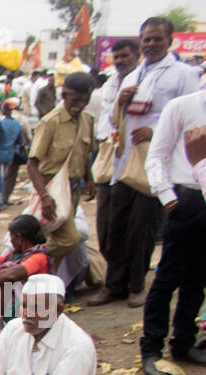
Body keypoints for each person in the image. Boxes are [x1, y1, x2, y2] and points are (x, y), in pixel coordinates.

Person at [90, 18, 200, 309]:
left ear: (169, 41)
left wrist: (157, 131)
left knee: (143, 227)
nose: (151, 44)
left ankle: (136, 285)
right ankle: (115, 285)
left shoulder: (182, 75)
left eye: (157, 39)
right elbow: (114, 122)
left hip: (157, 165)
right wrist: (121, 104)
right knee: (115, 227)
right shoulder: (131, 76)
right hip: (124, 162)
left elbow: (193, 120)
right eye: (146, 40)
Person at [139, 89, 206, 375]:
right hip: (185, 200)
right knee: (167, 277)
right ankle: (152, 349)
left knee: (198, 278)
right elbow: (157, 155)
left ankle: (183, 343)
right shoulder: (182, 106)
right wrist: (168, 197)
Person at [26, 72, 96, 293]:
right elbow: (32, 165)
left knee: (56, 239)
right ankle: (25, 266)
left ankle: (40, 279)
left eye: (85, 99)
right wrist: (45, 196)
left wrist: (90, 181)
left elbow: (84, 155)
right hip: (51, 190)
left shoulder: (87, 120)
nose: (81, 104)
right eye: (76, 99)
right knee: (69, 239)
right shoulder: (50, 122)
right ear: (64, 95)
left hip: (73, 191)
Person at [93, 39, 140, 276]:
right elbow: (105, 121)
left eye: (125, 56)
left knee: (131, 223)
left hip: (135, 157)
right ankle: (116, 271)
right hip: (107, 153)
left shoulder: (142, 80)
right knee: (105, 224)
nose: (120, 61)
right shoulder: (110, 83)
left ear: (136, 55)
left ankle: (127, 277)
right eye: (117, 57)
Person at [0, 214, 52, 321]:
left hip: (34, 304)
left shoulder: (39, 256)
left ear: (19, 238)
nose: (10, 240)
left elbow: (11, 275)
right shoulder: (15, 254)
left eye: (11, 237)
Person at [0, 100, 27, 208]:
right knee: (7, 177)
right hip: (10, 154)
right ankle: (4, 199)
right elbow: (21, 142)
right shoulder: (17, 124)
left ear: (4, 110)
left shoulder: (0, 123)